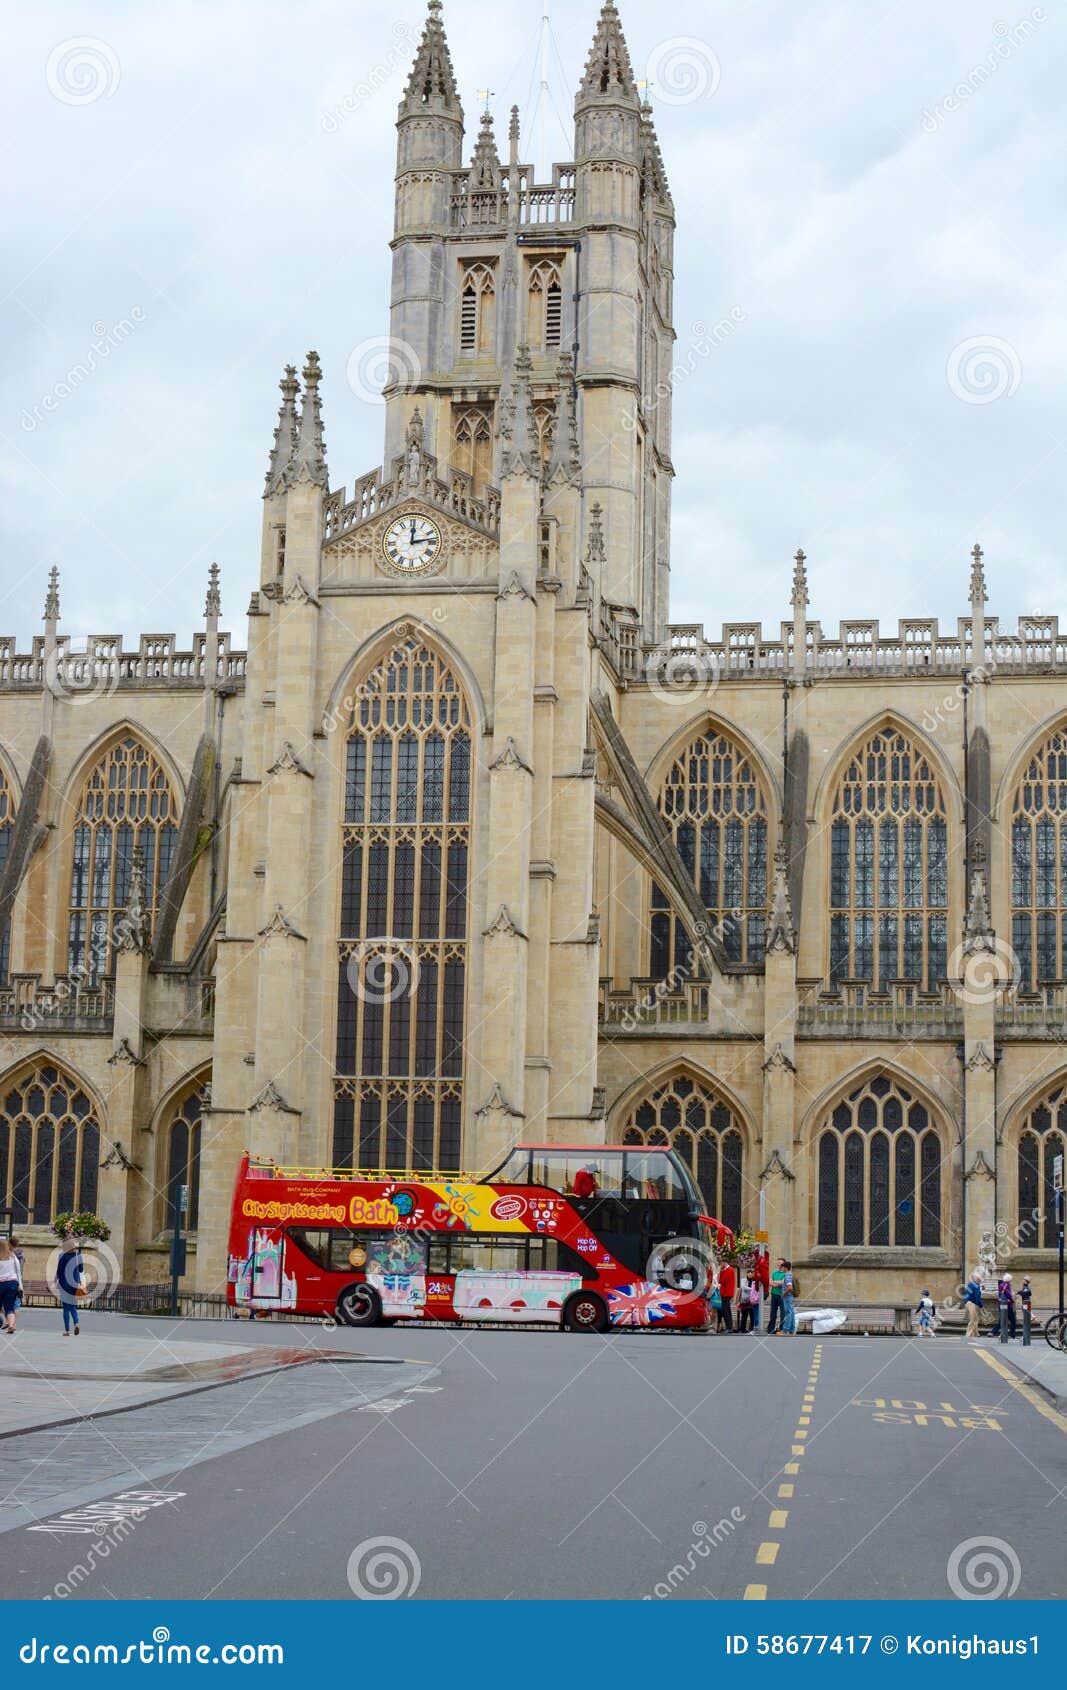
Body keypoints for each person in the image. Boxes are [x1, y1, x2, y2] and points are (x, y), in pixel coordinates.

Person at [52, 1236, 84, 1335]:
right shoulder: (78, 1256)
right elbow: (81, 1270)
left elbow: (59, 1271)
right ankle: (76, 1323)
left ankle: (66, 1330)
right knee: (73, 1306)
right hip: (74, 1285)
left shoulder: (62, 1255)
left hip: (64, 1285)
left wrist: (54, 1282)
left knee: (66, 1307)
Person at [0, 1239, 22, 1334]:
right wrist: (20, 1286)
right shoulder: (13, 1257)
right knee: (10, 1307)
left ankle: (6, 1323)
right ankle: (12, 1325)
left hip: (1, 1283)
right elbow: (18, 1272)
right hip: (12, 1283)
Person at [767, 1259, 787, 1334]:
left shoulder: (785, 1273)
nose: (779, 1264)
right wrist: (777, 1283)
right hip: (774, 1294)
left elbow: (783, 1282)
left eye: (780, 1263)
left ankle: (782, 1329)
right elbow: (770, 1282)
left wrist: (775, 1282)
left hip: (782, 1295)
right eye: (778, 1263)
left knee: (783, 1313)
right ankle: (770, 1330)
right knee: (773, 1313)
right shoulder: (774, 1272)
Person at [963, 1271, 984, 1340]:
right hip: (972, 1304)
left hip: (967, 1303)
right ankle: (968, 1335)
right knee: (973, 1320)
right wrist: (981, 1306)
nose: (981, 1280)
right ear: (978, 1279)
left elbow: (966, 1294)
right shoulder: (976, 1286)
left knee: (975, 1318)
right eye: (980, 1279)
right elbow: (977, 1297)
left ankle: (976, 1333)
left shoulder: (970, 1284)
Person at [716, 1261, 736, 1332]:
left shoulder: (729, 1270)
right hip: (725, 1292)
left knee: (725, 1310)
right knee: (727, 1310)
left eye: (721, 1263)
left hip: (726, 1293)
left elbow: (723, 1280)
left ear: (724, 1262)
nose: (720, 1265)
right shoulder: (728, 1270)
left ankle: (728, 1327)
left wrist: (720, 1271)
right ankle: (730, 1327)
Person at [8, 1234, 25, 1311]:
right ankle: (12, 1322)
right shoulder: (21, 1255)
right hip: (17, 1281)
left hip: (7, 1280)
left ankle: (8, 1320)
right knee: (16, 1304)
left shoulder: (7, 1254)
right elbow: (20, 1271)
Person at [997, 1272, 1016, 1339]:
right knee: (1013, 1320)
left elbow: (1000, 1293)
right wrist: (1012, 1300)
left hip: (1001, 1304)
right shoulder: (1007, 1285)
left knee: (1003, 1319)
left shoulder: (1001, 1284)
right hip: (1008, 1305)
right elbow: (1008, 1294)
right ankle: (1012, 1334)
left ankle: (999, 1333)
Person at [781, 1261, 797, 1335]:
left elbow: (790, 1288)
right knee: (791, 1313)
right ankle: (791, 1329)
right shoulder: (791, 1274)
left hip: (788, 1297)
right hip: (791, 1297)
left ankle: (785, 1330)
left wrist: (783, 1294)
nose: (782, 1269)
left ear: (785, 1268)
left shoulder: (787, 1275)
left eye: (782, 1267)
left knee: (788, 1313)